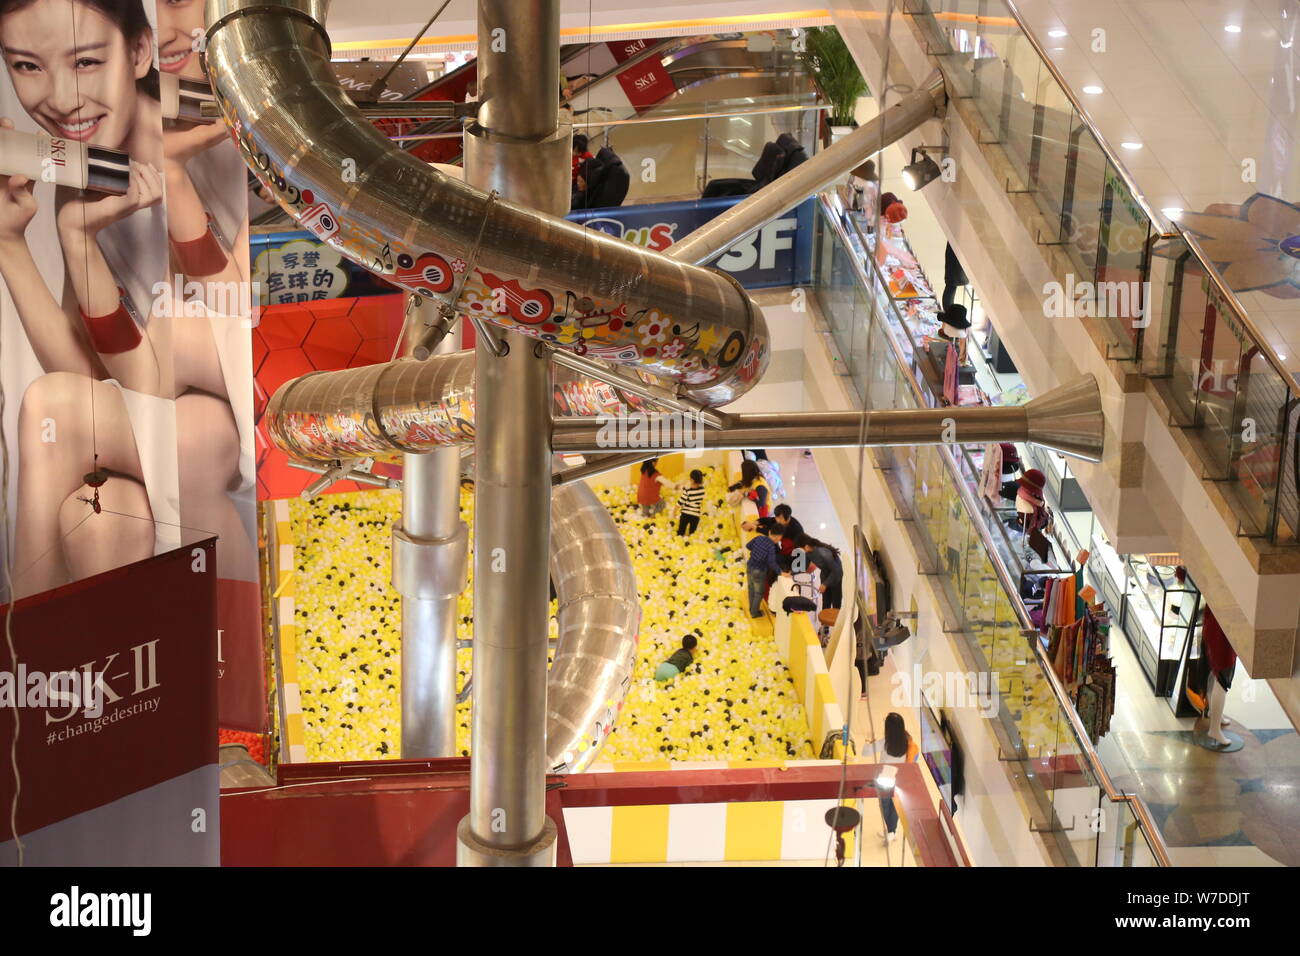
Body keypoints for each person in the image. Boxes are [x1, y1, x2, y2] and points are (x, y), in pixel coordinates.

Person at [878, 712, 918, 841]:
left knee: (890, 803)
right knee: (887, 803)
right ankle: (891, 830)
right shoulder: (894, 740)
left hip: (894, 778)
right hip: (891, 776)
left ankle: (891, 831)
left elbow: (911, 760)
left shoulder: (903, 743)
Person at [744, 518, 782, 618]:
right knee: (759, 593)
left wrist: (755, 552)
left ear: (769, 532)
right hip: (759, 571)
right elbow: (772, 563)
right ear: (778, 538)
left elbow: (748, 546)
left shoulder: (759, 538)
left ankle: (751, 608)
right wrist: (781, 573)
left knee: (751, 588)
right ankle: (754, 612)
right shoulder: (771, 547)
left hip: (750, 566)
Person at [795, 533, 843, 610]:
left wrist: (825, 584)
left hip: (836, 576)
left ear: (806, 546)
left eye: (801, 548)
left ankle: (835, 620)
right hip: (825, 573)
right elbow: (804, 565)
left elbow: (835, 571)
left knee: (836, 602)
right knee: (826, 600)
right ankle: (824, 621)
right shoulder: (808, 552)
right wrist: (796, 578)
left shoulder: (823, 553)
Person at [676, 469, 706, 537]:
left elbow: (680, 502)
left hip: (685, 514)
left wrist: (674, 511)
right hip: (695, 515)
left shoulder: (687, 491)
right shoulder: (702, 490)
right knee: (692, 533)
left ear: (691, 480)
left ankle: (680, 538)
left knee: (681, 532)